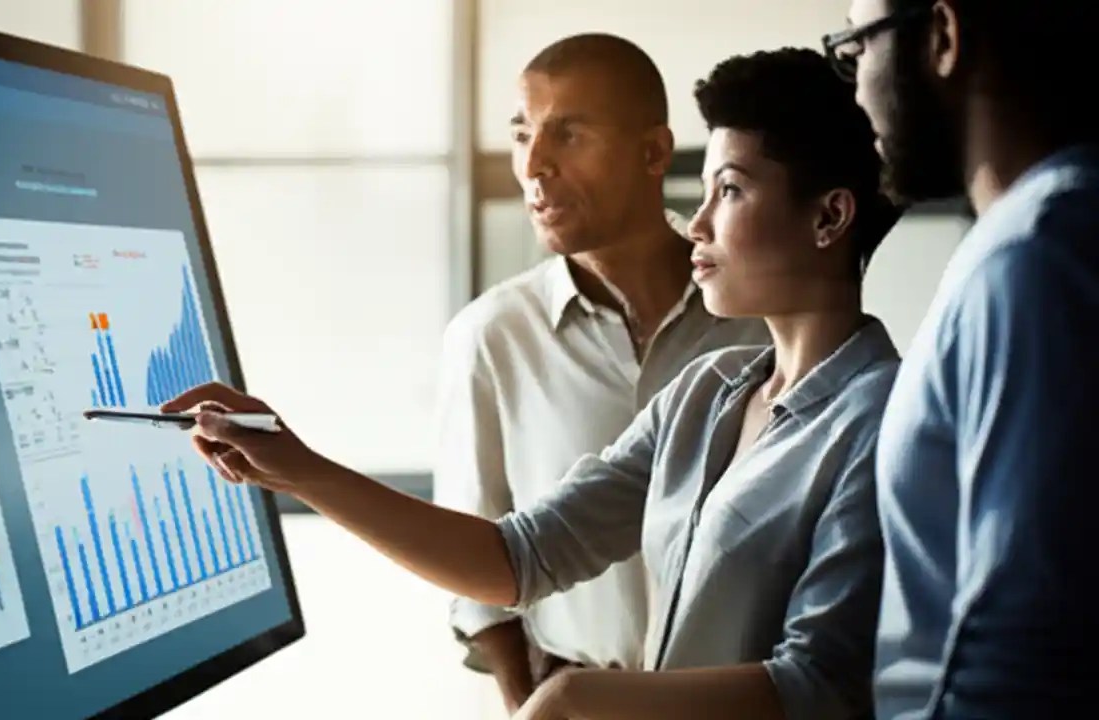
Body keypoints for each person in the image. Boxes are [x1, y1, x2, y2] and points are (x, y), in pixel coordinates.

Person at [166, 48, 902, 720]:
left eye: (731, 191)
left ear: (830, 216)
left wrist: (580, 696)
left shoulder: (884, 420)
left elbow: (821, 685)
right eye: (704, 190)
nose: (699, 223)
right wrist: (298, 468)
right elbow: (519, 557)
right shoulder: (706, 395)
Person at [432, 32, 769, 712]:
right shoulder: (491, 337)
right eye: (523, 133)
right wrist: (530, 705)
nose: (533, 165)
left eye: (569, 135)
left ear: (653, 152)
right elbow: (478, 581)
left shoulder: (760, 318)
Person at [828, 1, 1099, 716]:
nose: (855, 90)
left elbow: (1020, 650)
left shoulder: (1032, 258)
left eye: (857, 50)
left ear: (943, 37)